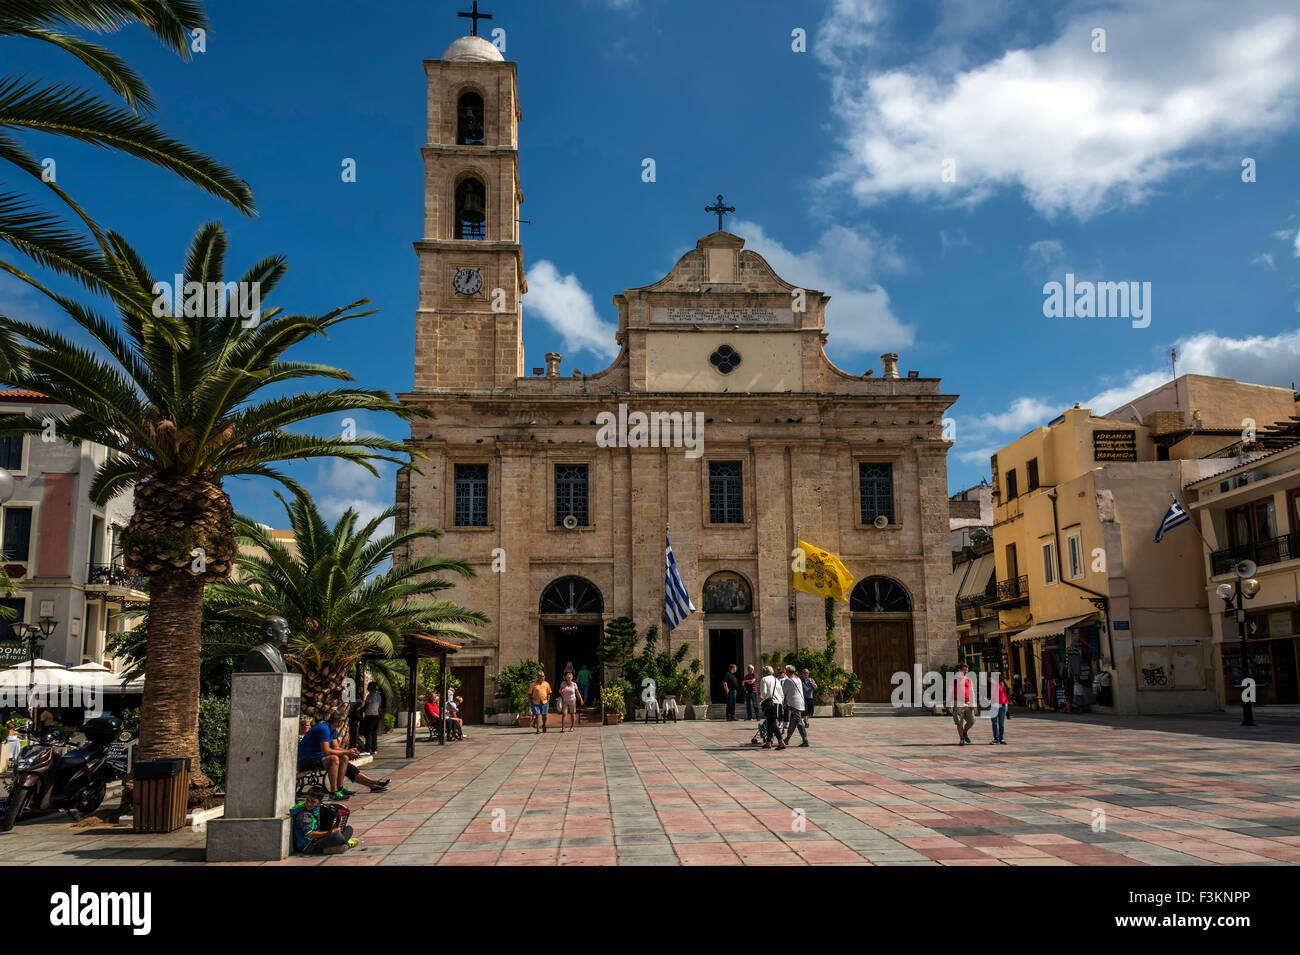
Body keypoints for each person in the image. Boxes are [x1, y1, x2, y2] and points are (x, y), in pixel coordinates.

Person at [298, 710, 390, 799]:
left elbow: (336, 748)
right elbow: (326, 751)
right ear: (340, 721)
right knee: (334, 759)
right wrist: (347, 752)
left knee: (344, 758)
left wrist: (350, 752)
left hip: (318, 758)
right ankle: (334, 792)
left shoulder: (332, 730)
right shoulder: (324, 729)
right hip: (305, 761)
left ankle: (340, 788)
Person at [291, 786, 356, 855]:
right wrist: (330, 832)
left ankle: (337, 845)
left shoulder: (319, 808)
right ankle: (345, 844)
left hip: (318, 839)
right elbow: (310, 834)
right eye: (307, 800)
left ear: (320, 802)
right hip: (308, 845)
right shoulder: (304, 815)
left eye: (313, 802)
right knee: (337, 836)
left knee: (349, 829)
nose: (309, 804)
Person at [758, 666, 785, 750]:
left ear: (766, 672)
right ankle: (768, 742)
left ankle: (781, 741)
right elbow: (781, 693)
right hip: (778, 703)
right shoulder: (776, 680)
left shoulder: (764, 679)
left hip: (770, 703)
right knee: (770, 722)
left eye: (763, 671)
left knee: (772, 722)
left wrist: (761, 698)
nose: (762, 672)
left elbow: (763, 693)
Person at [782, 666, 809, 747]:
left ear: (788, 672)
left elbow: (783, 691)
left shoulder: (788, 680)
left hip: (794, 703)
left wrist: (783, 702)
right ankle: (787, 739)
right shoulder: (798, 679)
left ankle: (805, 741)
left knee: (799, 723)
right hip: (800, 702)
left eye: (786, 671)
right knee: (793, 722)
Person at [952, 663, 975, 745]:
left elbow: (971, 691)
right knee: (959, 722)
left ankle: (965, 732)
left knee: (971, 721)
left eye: (967, 671)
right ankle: (962, 738)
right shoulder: (954, 679)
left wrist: (973, 703)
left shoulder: (969, 679)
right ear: (959, 670)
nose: (966, 672)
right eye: (964, 670)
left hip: (968, 703)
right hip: (957, 703)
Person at [361, 682, 382, 755]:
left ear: (370, 688)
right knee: (374, 732)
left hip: (369, 716)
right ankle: (374, 748)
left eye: (368, 686)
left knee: (368, 732)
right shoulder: (379, 696)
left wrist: (361, 709)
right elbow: (379, 706)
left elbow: (366, 706)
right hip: (376, 715)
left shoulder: (369, 696)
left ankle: (368, 748)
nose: (367, 688)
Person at [990, 675, 1009, 745]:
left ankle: (1001, 738)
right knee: (994, 723)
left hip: (1002, 706)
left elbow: (1006, 694)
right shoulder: (990, 685)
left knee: (1001, 723)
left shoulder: (1002, 684)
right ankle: (996, 739)